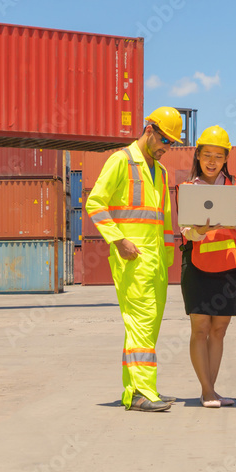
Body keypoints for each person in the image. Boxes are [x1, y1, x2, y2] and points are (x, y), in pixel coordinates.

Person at [86, 107, 181, 412]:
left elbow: (164, 219)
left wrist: (167, 256)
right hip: (132, 257)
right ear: (149, 129)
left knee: (146, 325)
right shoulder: (120, 161)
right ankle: (143, 392)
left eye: (173, 143)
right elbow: (95, 203)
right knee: (141, 322)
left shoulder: (162, 172)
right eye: (165, 140)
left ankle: (136, 391)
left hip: (155, 260)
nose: (167, 147)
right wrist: (118, 239)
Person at [177, 125, 236, 408]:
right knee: (199, 327)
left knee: (219, 329)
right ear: (197, 156)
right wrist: (198, 229)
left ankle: (213, 389)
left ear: (226, 158)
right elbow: (185, 230)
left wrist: (224, 218)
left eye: (218, 156)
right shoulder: (187, 188)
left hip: (228, 264)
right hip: (196, 265)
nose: (212, 161)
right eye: (206, 154)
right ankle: (207, 390)